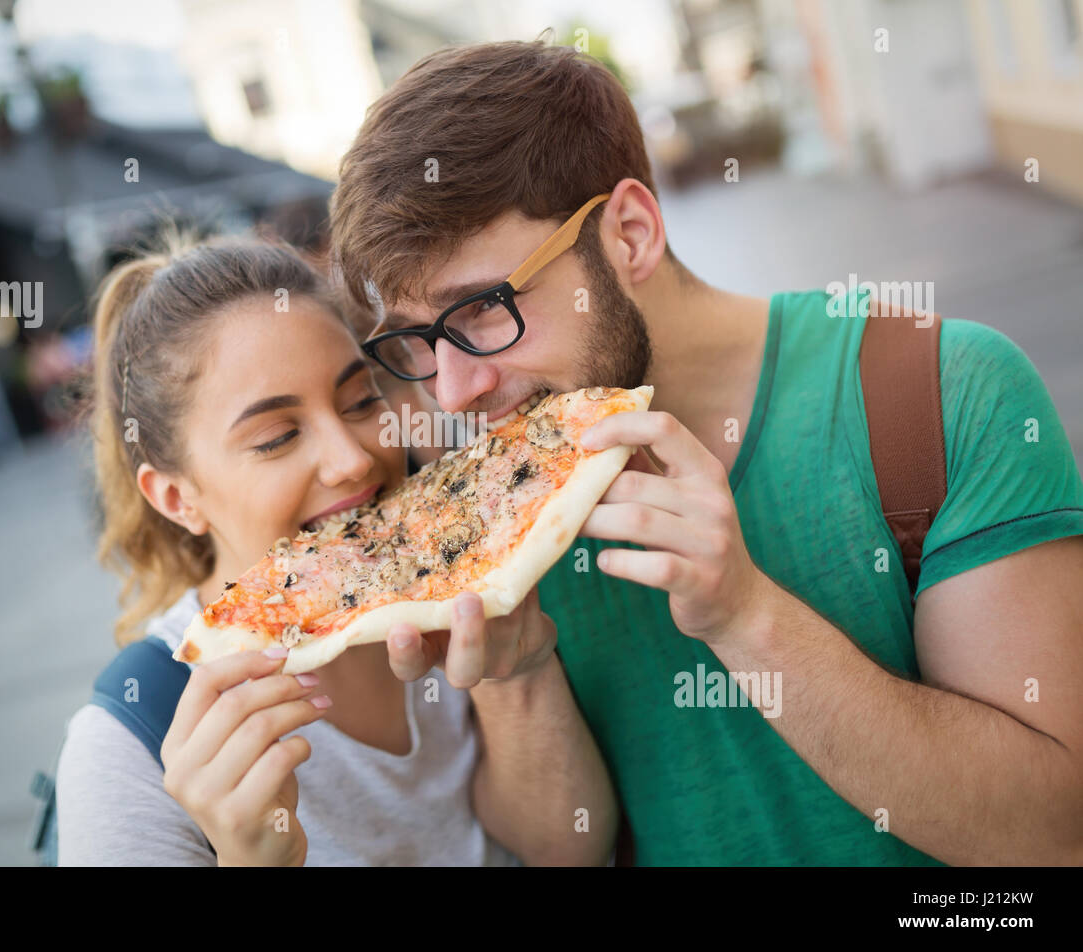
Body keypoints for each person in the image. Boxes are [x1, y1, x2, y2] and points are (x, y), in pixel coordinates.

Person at [327, 40, 1083, 865]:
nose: (453, 393)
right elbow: (559, 851)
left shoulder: (942, 388)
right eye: (419, 340)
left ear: (631, 233)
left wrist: (746, 615)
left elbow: (1049, 834)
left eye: (479, 311)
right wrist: (517, 674)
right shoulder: (482, 504)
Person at [54, 233, 619, 865]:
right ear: (176, 497)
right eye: (276, 437)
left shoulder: (460, 577)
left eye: (359, 401)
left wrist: (518, 675)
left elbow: (568, 851)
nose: (353, 460)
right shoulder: (126, 751)